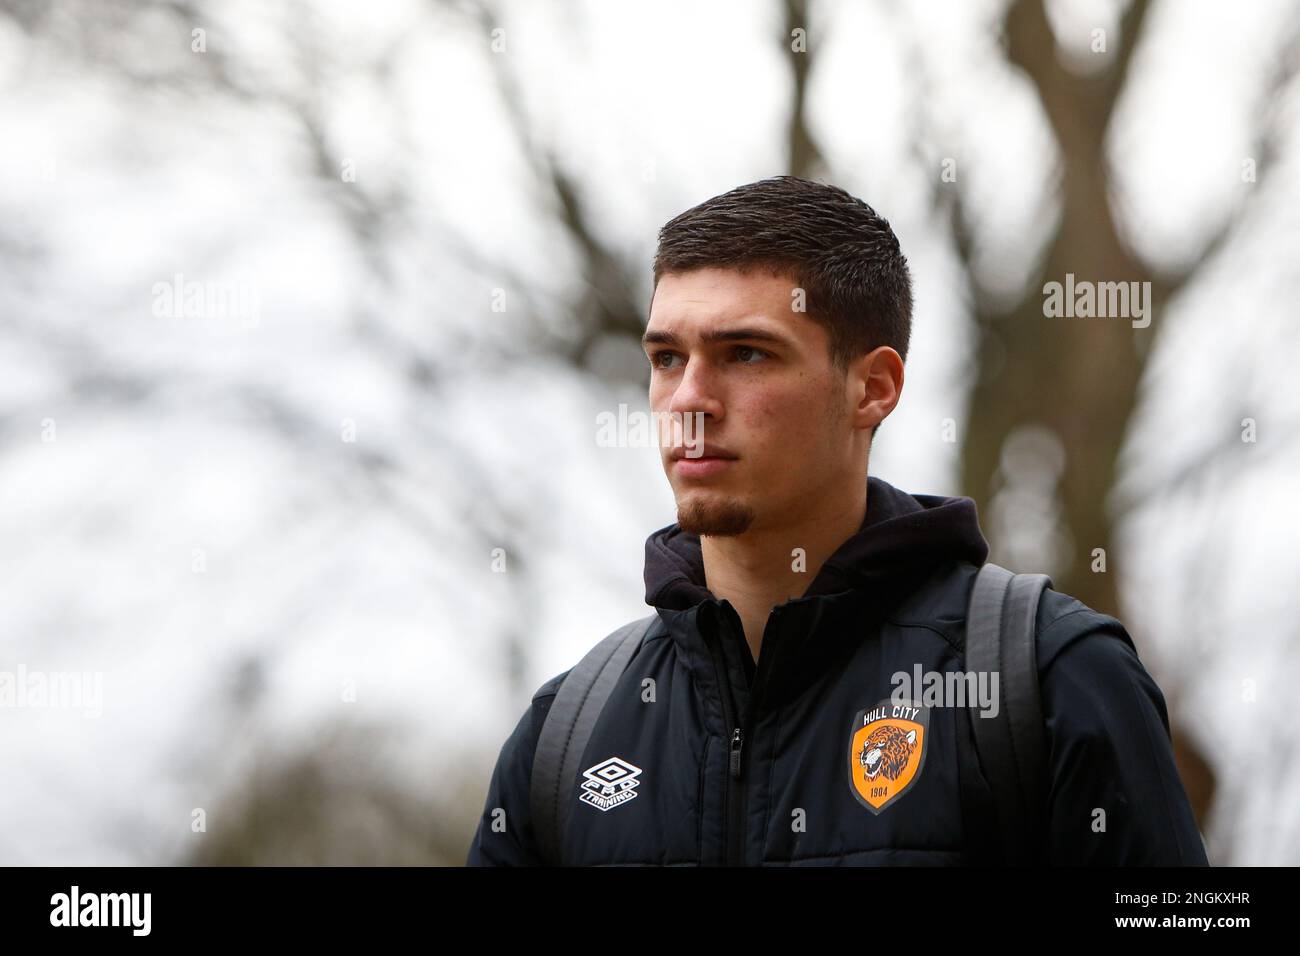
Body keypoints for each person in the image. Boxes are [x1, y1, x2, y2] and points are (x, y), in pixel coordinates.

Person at [466, 175, 1209, 866]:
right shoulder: (568, 732)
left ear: (873, 388)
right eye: (666, 358)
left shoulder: (1046, 679)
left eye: (745, 353)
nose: (689, 399)